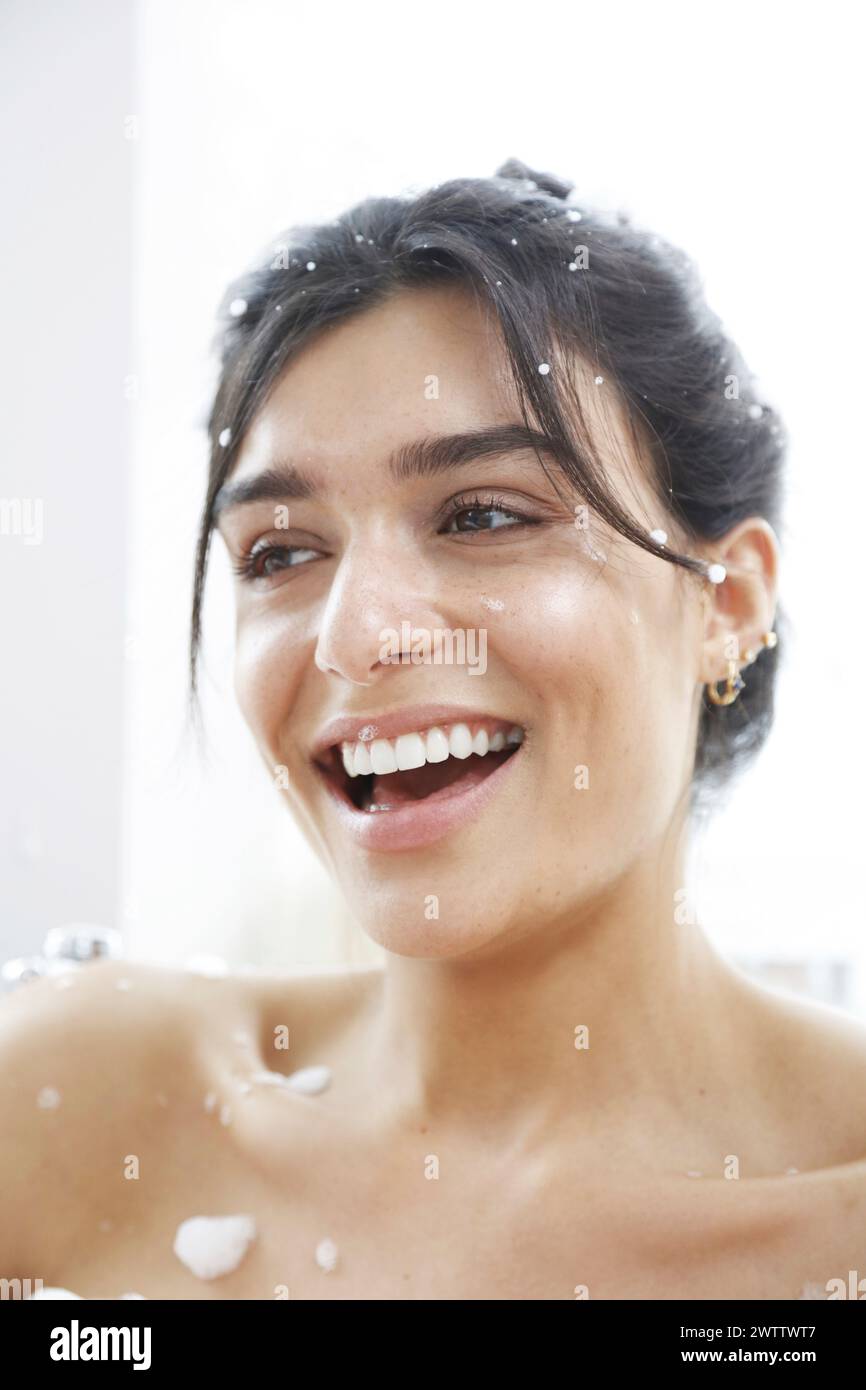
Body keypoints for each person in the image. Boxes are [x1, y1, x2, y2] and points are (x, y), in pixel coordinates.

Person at [3, 160, 865, 1301]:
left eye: (484, 514)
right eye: (281, 551)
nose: (354, 638)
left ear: (727, 604)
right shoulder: (76, 1101)